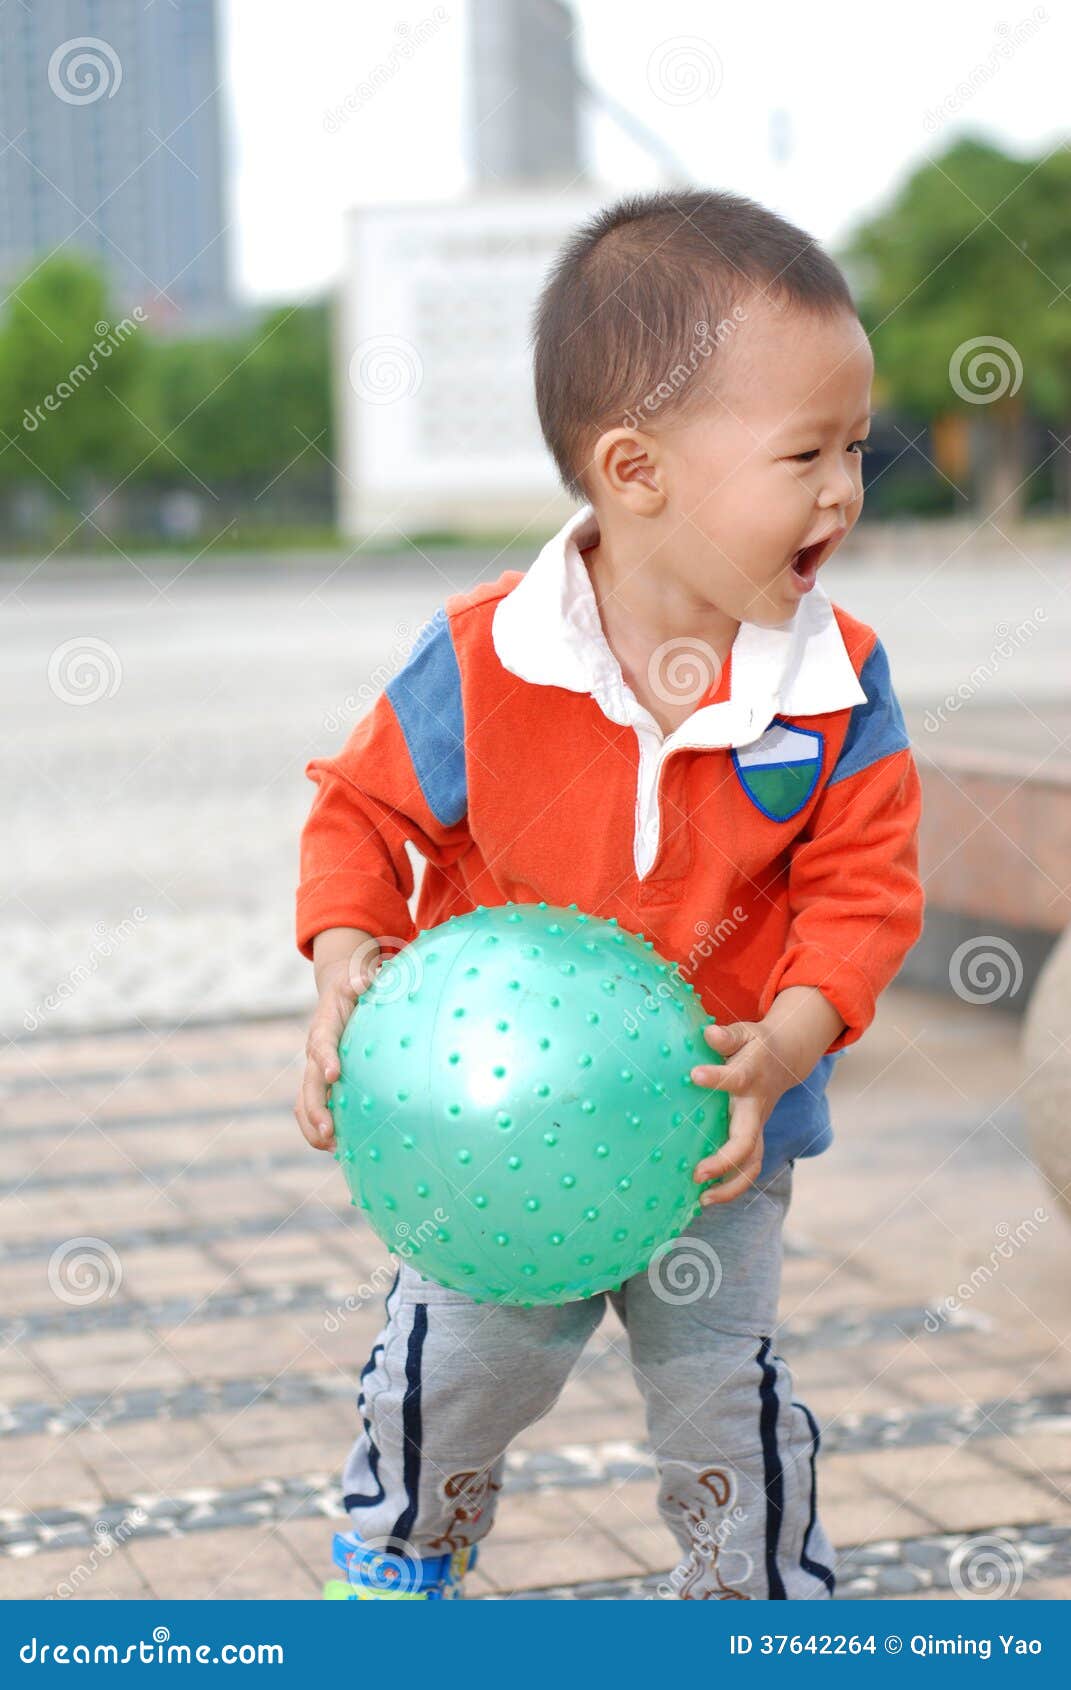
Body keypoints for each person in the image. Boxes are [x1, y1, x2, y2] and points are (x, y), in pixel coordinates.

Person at [294, 189, 925, 1601]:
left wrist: (793, 1035)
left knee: (720, 1389)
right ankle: (403, 1551)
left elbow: (865, 889)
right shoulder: (482, 659)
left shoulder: (835, 682)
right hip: (494, 1127)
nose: (844, 490)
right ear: (637, 469)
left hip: (722, 1130)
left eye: (853, 450)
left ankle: (756, 1600)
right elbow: (358, 807)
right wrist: (345, 948)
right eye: (804, 454)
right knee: (456, 1366)